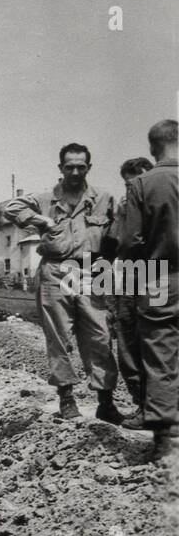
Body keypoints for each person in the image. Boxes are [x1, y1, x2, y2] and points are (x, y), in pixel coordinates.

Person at [2, 144, 122, 422]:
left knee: (100, 336)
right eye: (70, 166)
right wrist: (39, 220)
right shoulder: (45, 198)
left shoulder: (104, 198)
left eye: (81, 166)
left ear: (88, 168)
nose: (75, 171)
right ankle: (67, 398)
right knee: (58, 338)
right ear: (61, 169)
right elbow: (11, 208)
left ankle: (105, 402)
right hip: (56, 272)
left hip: (92, 271)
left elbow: (115, 238)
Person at [116, 119, 179, 458]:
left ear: (153, 147)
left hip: (157, 276)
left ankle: (166, 444)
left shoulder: (142, 184)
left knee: (159, 358)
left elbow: (130, 241)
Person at [101, 156, 154, 415]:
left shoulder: (164, 209)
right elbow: (106, 253)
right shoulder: (121, 215)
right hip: (126, 284)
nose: (132, 191)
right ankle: (142, 405)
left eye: (138, 185)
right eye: (128, 186)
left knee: (157, 344)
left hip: (157, 279)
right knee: (127, 345)